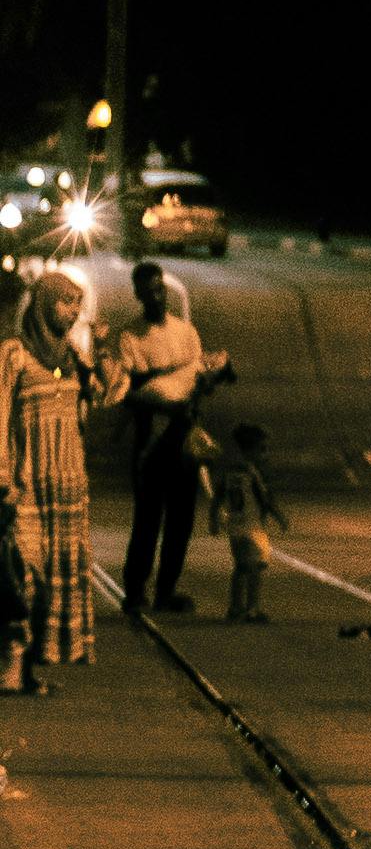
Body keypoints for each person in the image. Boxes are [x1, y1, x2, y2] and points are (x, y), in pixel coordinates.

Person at [2, 268, 100, 692]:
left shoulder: (71, 356)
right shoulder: (15, 354)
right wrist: (2, 477)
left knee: (54, 579)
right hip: (26, 483)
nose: (73, 311)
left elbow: (106, 395)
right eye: (65, 302)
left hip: (67, 485)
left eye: (77, 303)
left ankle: (28, 667)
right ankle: (9, 663)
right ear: (44, 305)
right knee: (23, 571)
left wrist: (100, 353)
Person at [108, 261, 220, 619]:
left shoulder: (186, 332)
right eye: (148, 291)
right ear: (138, 294)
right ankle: (135, 590)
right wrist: (169, 381)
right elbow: (130, 388)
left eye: (160, 289)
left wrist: (205, 381)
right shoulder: (130, 337)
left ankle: (166, 590)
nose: (156, 297)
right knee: (147, 519)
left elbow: (198, 377)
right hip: (150, 438)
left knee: (181, 520)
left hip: (182, 436)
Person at [206, 420, 290, 620]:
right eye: (262, 449)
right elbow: (266, 498)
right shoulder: (252, 473)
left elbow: (217, 496)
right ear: (251, 450)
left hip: (235, 526)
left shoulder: (229, 471)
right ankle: (252, 608)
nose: (265, 453)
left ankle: (235, 607)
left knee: (241, 567)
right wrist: (280, 518)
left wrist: (214, 520)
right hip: (253, 528)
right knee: (256, 568)